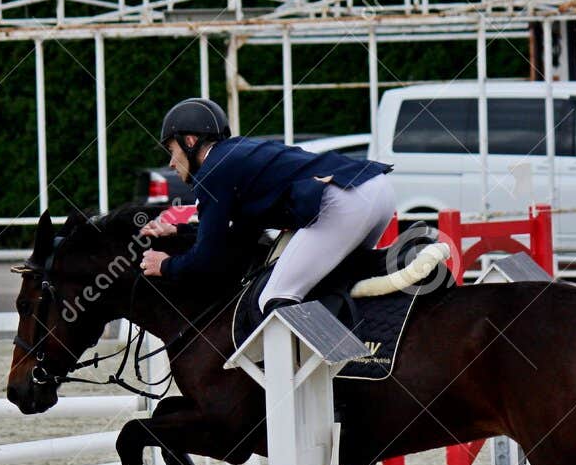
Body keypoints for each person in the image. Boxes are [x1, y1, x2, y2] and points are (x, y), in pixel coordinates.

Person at [138, 97, 395, 314]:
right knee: (332, 283)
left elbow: (208, 258)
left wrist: (164, 265)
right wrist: (179, 231)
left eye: (171, 150)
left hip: (345, 201)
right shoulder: (233, 155)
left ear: (190, 142)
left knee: (273, 299)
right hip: (376, 189)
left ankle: (303, 374)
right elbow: (240, 233)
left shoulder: (212, 172)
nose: (171, 163)